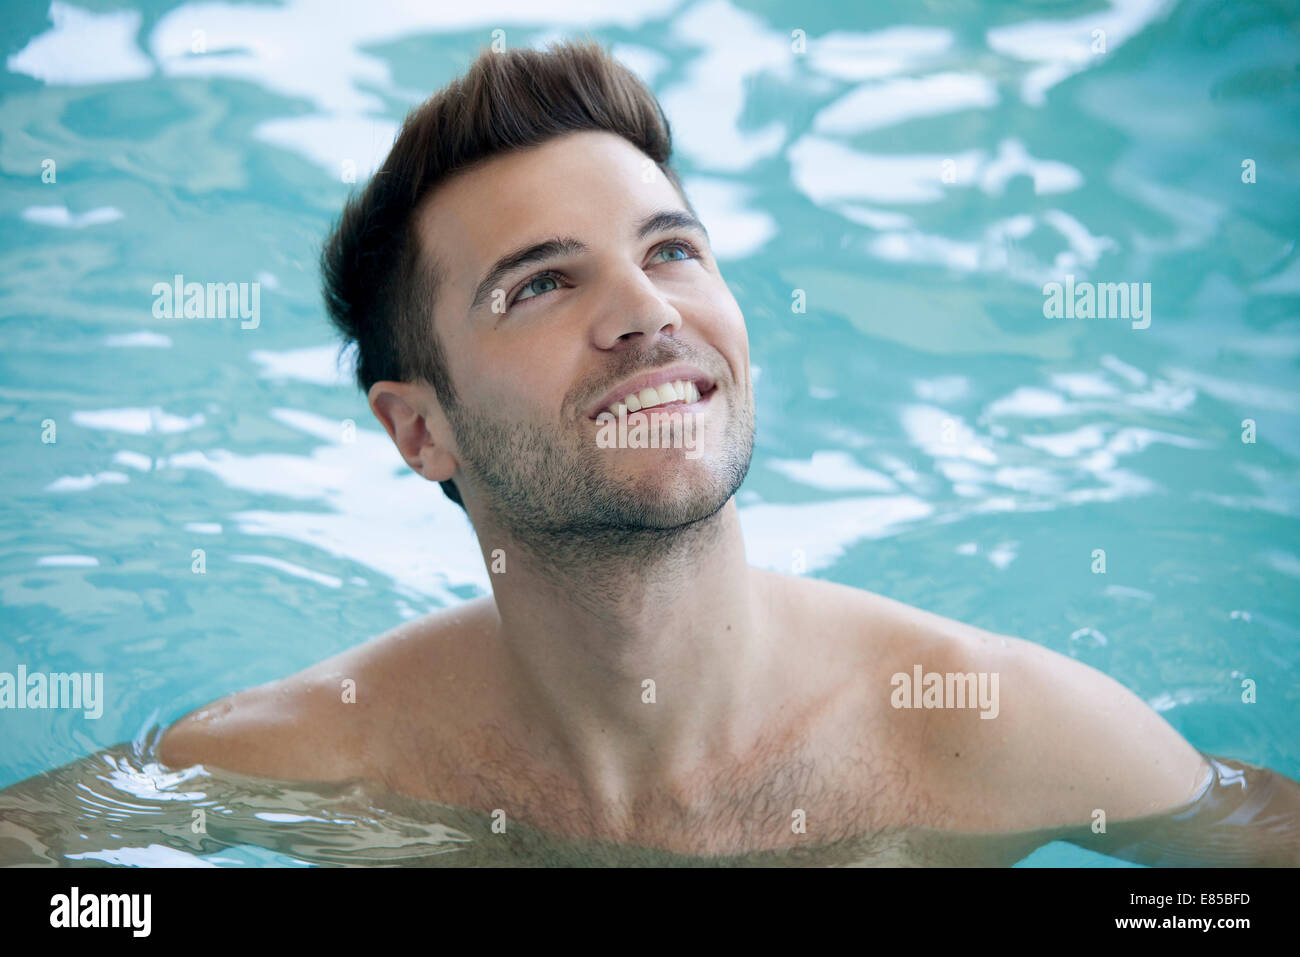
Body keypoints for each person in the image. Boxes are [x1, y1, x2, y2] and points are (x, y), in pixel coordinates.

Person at [154, 38, 1297, 865]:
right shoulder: (300, 762)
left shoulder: (1004, 735)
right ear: (420, 429)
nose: (647, 312)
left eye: (672, 250)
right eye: (542, 283)